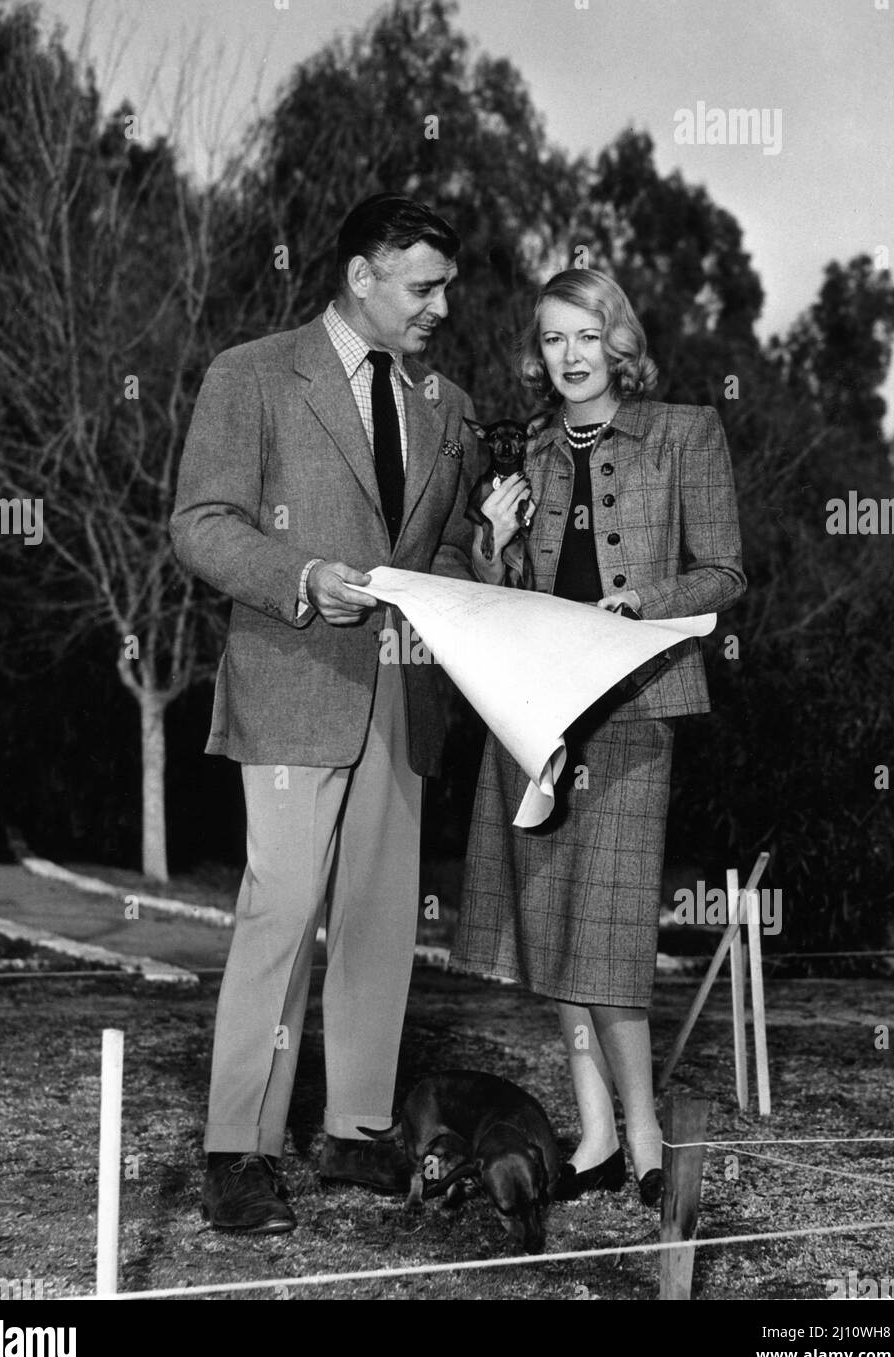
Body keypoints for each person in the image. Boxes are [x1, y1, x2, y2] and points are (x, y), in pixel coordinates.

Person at [171, 194, 479, 1233]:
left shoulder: (448, 403)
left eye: (445, 286)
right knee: (279, 911)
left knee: (379, 923)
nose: (441, 305)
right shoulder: (249, 375)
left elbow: (433, 554)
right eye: (422, 284)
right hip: (293, 682)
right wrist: (302, 574)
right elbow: (201, 525)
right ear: (361, 274)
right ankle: (239, 1148)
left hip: (405, 691)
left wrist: (481, 557)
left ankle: (355, 1130)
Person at [451, 268, 746, 1206]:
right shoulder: (526, 449)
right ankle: (596, 1136)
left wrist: (639, 606)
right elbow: (498, 595)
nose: (570, 358)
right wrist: (493, 542)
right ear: (536, 353)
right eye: (551, 340)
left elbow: (726, 573)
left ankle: (648, 1137)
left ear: (618, 340)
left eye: (586, 336)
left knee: (610, 936)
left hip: (633, 710)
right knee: (551, 930)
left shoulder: (684, 432)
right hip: (536, 714)